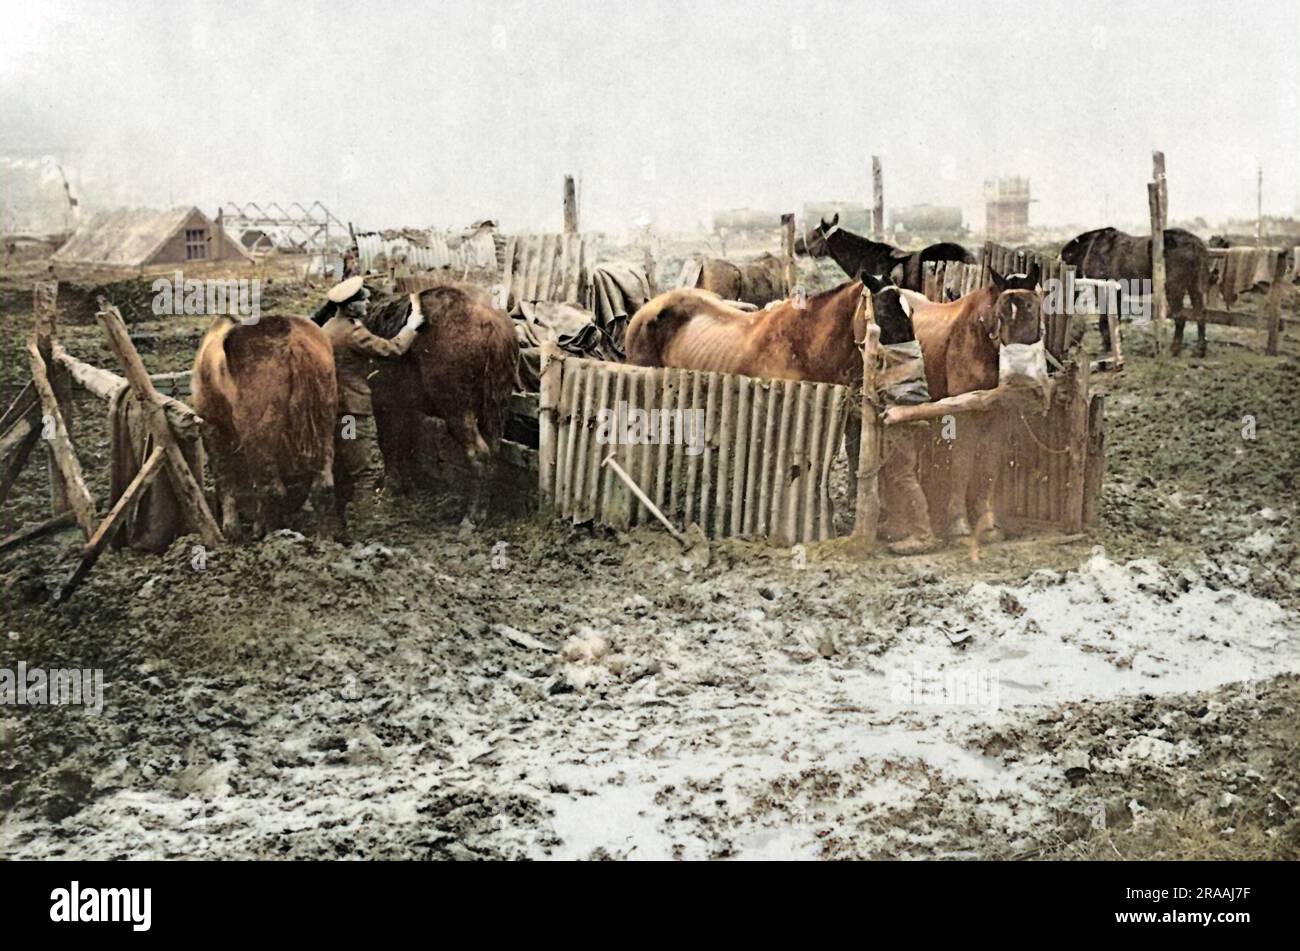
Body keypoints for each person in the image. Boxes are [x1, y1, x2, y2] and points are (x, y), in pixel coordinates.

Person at [314, 275, 425, 495]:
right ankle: (366, 517)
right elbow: (393, 349)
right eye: (363, 300)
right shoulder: (354, 333)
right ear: (350, 306)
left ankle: (343, 511)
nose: (367, 303)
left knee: (341, 459)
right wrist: (411, 326)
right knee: (362, 465)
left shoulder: (329, 326)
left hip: (334, 404)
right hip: (351, 410)